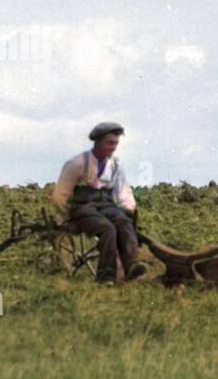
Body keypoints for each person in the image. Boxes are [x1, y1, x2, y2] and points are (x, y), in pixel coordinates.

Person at [51, 122, 148, 285]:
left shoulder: (115, 166)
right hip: (83, 207)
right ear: (97, 142)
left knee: (124, 223)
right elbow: (61, 194)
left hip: (106, 205)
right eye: (110, 143)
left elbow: (123, 191)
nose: (113, 148)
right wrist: (66, 217)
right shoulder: (77, 164)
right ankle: (105, 275)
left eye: (116, 144)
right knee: (107, 229)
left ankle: (131, 266)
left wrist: (129, 209)